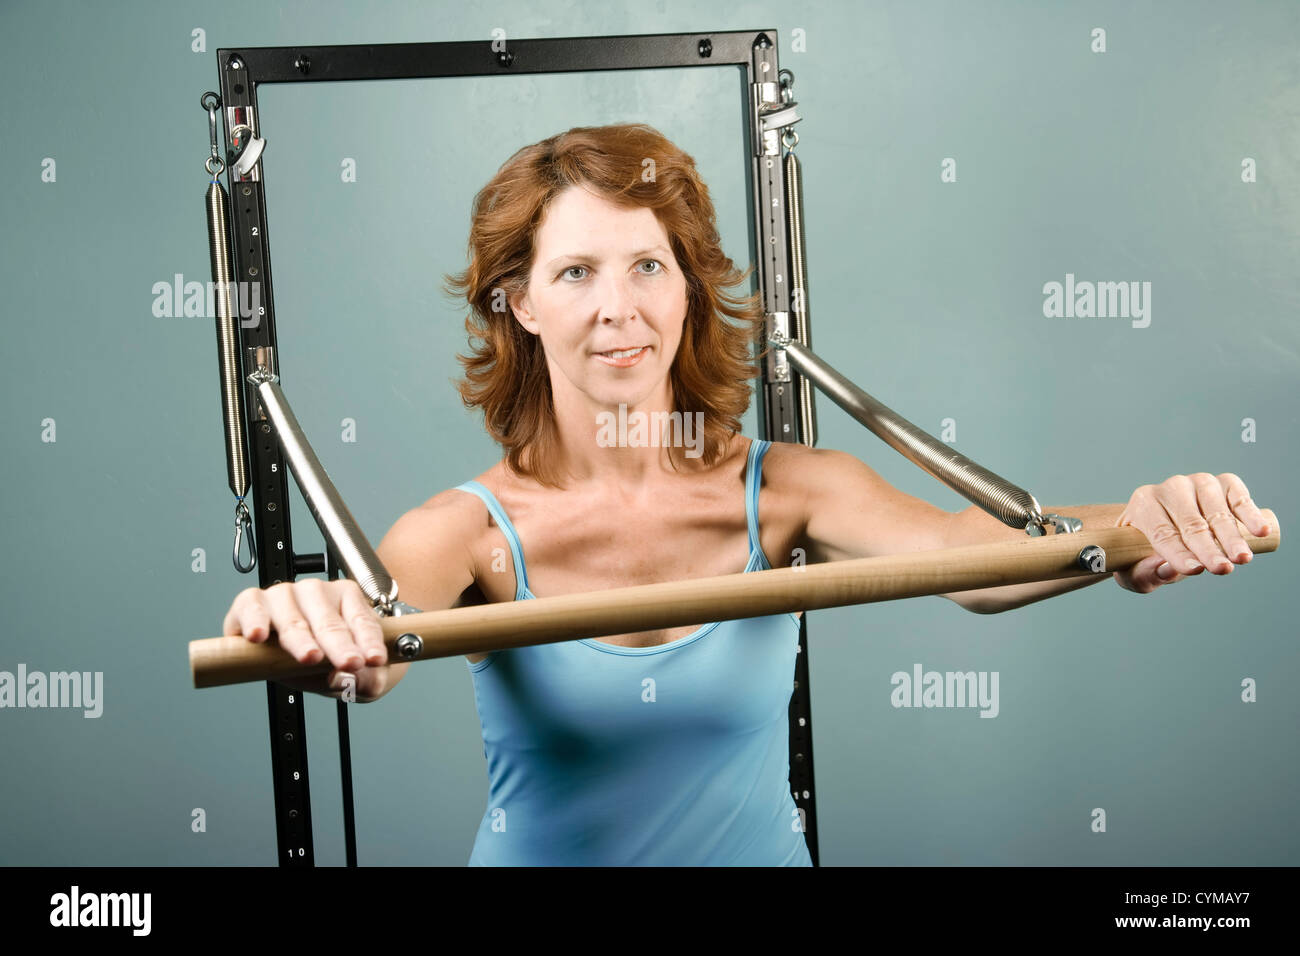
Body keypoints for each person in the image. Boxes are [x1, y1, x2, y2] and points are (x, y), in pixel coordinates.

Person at [221, 123, 1274, 865]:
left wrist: (1146, 519)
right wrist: (305, 618)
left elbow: (978, 556)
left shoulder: (785, 490)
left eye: (649, 265)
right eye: (576, 272)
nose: (618, 308)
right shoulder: (467, 532)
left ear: (688, 289)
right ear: (521, 304)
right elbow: (371, 644)